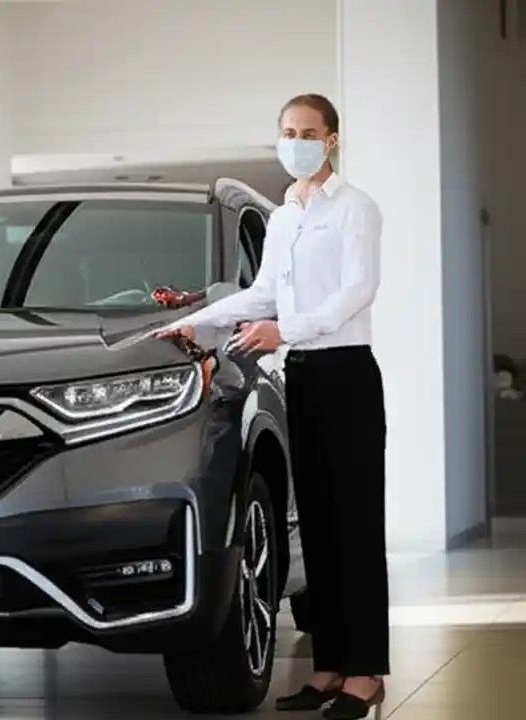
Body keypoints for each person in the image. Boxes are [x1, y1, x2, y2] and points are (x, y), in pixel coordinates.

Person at [157, 93, 388, 720]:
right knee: (317, 529)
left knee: (356, 531)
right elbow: (259, 295)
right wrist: (193, 322)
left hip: (347, 378)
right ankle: (329, 670)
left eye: (308, 132)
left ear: (332, 140)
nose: (297, 141)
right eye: (288, 131)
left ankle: (366, 676)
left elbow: (356, 292)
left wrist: (286, 330)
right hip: (305, 380)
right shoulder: (285, 216)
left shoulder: (356, 209)